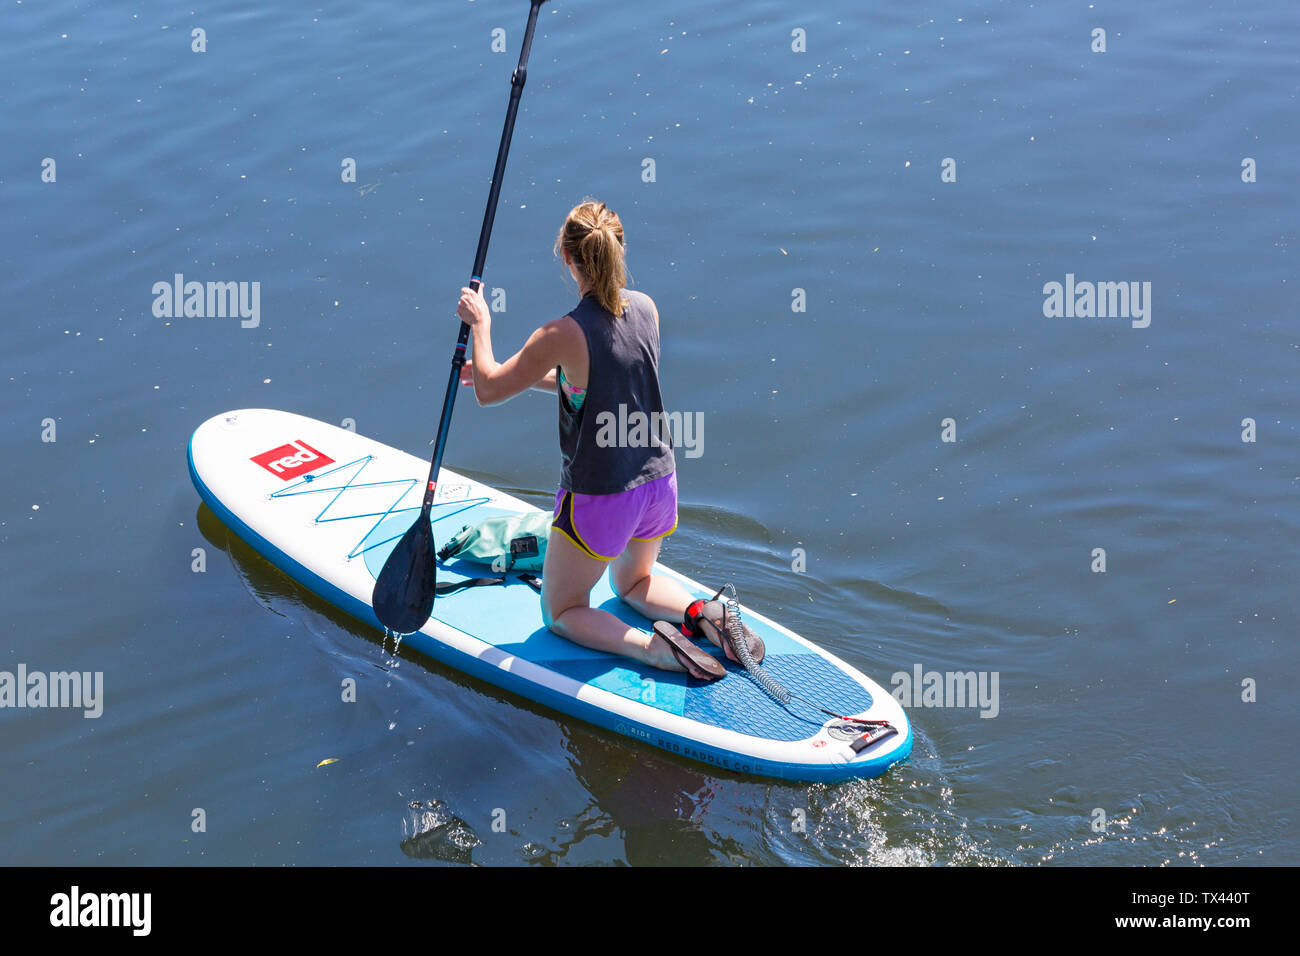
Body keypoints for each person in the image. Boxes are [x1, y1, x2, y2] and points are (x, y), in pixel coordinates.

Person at [455, 200, 761, 679]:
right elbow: (595, 380)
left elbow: (490, 390)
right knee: (633, 583)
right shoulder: (647, 309)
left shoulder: (559, 333)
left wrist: (481, 325)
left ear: (568, 259)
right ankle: (704, 615)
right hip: (659, 484)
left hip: (604, 499)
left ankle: (654, 650)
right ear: (619, 251)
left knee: (560, 611)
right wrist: (523, 375)